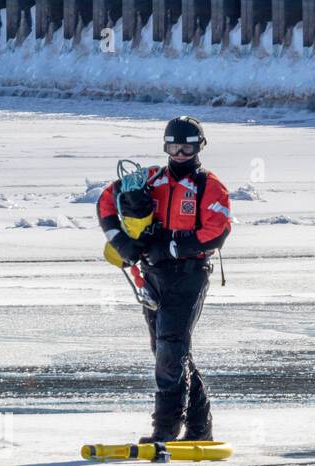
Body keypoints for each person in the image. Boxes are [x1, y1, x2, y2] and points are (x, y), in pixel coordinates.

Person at [96, 116, 231, 442]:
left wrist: (170, 248)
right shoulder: (149, 179)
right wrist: (121, 241)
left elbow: (217, 231)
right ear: (165, 147)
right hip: (151, 276)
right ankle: (200, 428)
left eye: (187, 147)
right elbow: (105, 201)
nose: (180, 154)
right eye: (174, 147)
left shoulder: (208, 186)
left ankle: (165, 431)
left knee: (171, 349)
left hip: (188, 276)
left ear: (199, 148)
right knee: (167, 350)